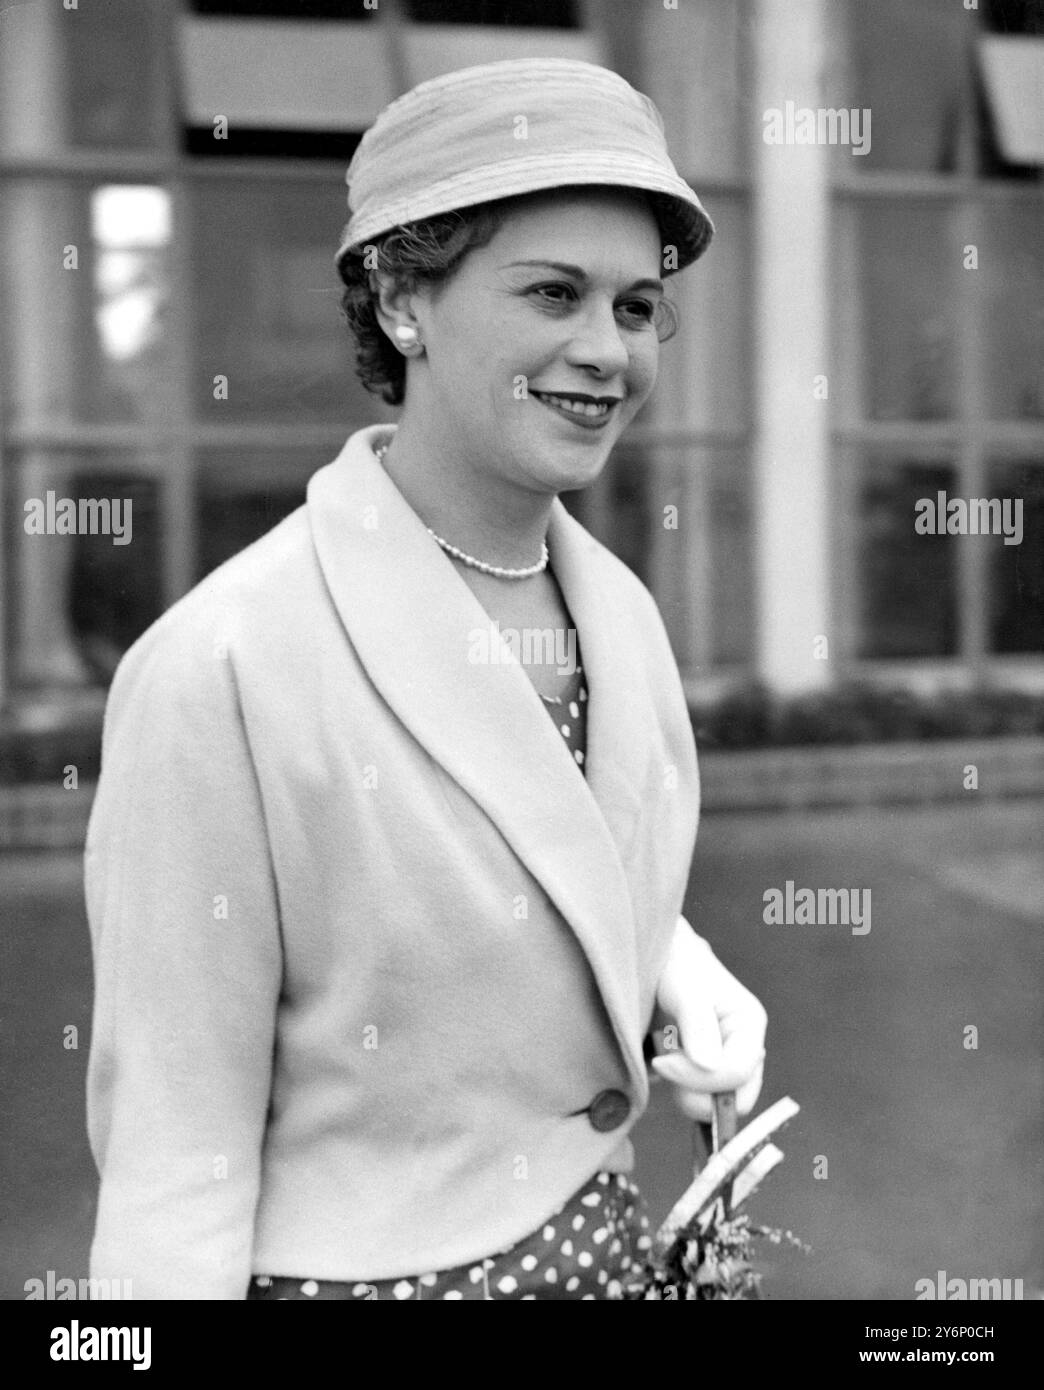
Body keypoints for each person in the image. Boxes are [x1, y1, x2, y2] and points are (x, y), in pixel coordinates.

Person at [85, 57, 767, 1301]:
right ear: (404, 299)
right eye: (553, 292)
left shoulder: (619, 615)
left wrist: (674, 959)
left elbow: (534, 847)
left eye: (633, 306)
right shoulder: (218, 666)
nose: (604, 349)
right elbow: (173, 1149)